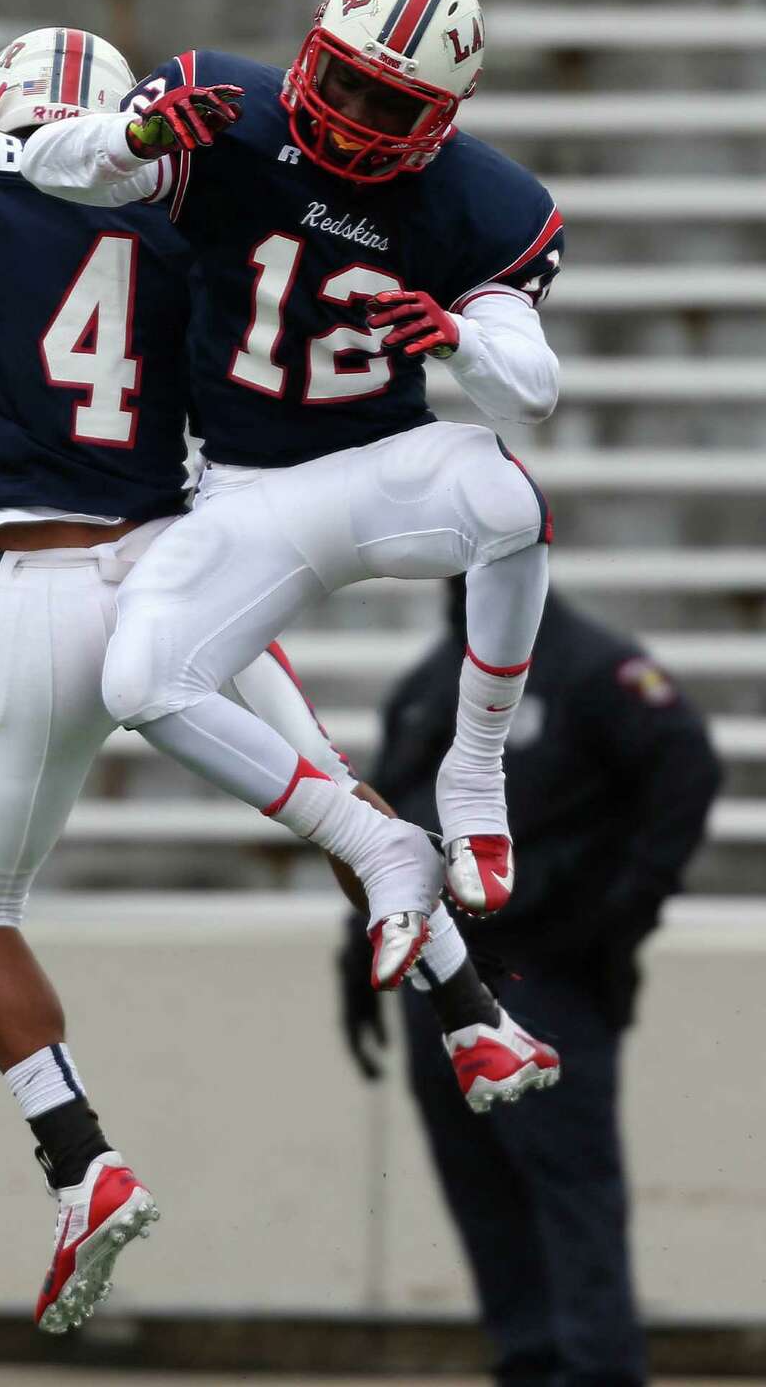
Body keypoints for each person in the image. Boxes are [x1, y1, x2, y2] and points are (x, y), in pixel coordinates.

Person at [0, 0, 558, 1334]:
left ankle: (79, 1156)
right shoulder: (200, 194)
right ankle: (473, 1007)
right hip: (184, 560)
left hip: (42, 583)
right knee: (328, 788)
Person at [21, 0, 564, 984]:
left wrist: (455, 338)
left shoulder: (483, 204)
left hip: (385, 466)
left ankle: (477, 772)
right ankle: (376, 844)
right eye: (344, 78)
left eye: (390, 104)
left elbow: (529, 391)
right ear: (311, 46)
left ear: (443, 119)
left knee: (510, 503)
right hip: (247, 489)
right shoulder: (228, 108)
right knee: (139, 679)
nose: (354, 115)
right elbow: (58, 167)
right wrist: (133, 137)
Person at [339, 579, 722, 1386]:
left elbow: (685, 768)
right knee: (478, 1183)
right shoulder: (429, 682)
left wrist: (615, 915)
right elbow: (382, 828)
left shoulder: (589, 666)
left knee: (568, 1182)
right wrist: (356, 948)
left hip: (546, 973)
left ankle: (597, 1369)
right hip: (440, 977)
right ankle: (530, 1361)